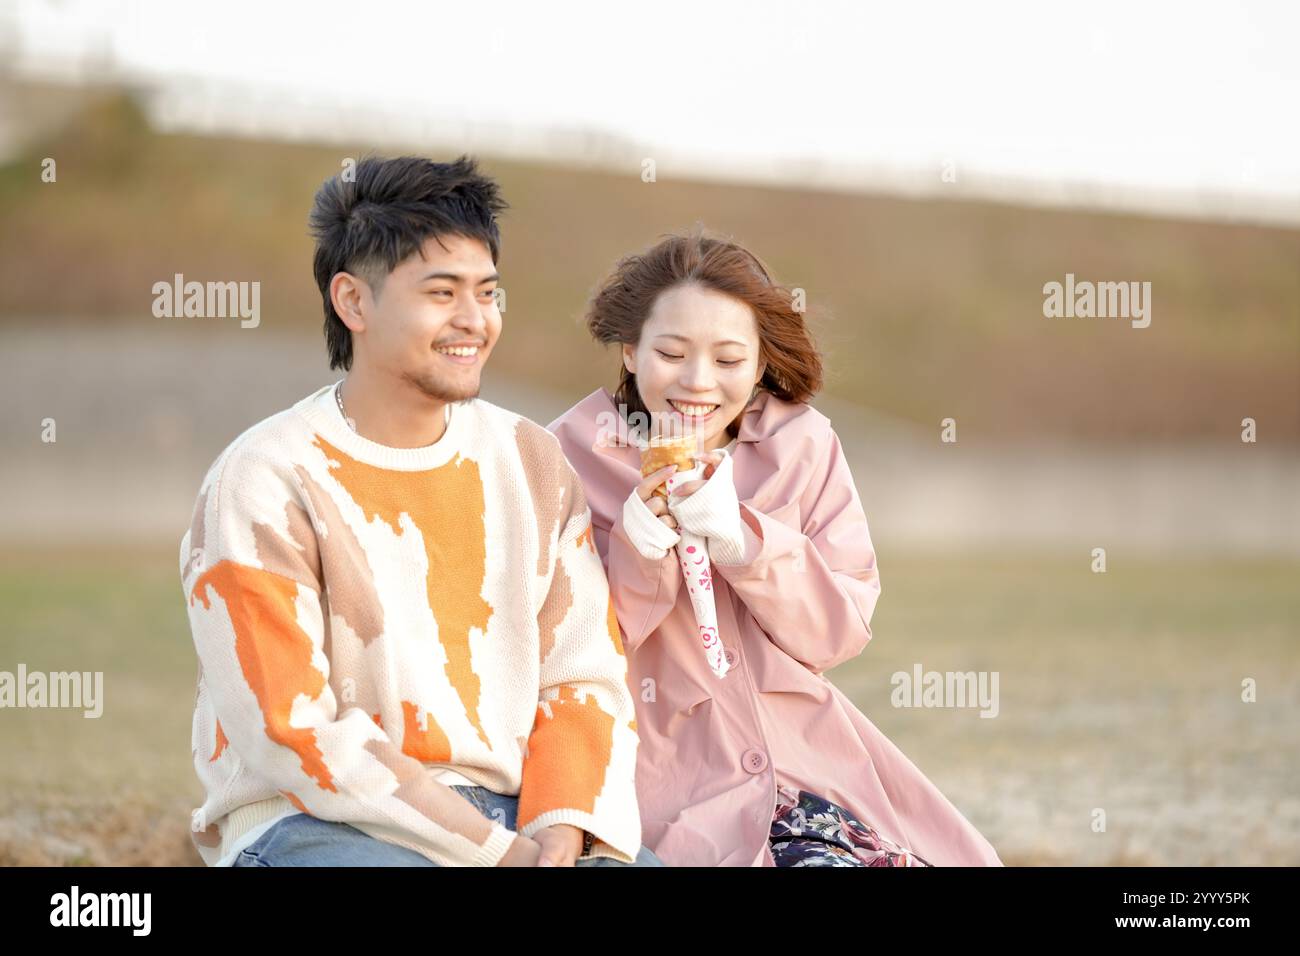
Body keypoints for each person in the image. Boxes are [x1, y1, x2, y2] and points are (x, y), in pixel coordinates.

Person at [179, 155, 662, 868]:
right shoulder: (265, 478)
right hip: (315, 821)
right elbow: (291, 729)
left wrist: (558, 834)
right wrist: (496, 855)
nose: (474, 320)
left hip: (514, 813)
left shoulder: (530, 460)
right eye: (442, 293)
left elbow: (581, 672)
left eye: (488, 293)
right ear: (354, 303)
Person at [547, 228, 1003, 866]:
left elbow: (835, 633)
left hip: (806, 764)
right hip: (668, 780)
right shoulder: (561, 457)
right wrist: (637, 551)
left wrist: (745, 542)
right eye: (671, 353)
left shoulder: (805, 448)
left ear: (761, 363)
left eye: (729, 361)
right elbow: (560, 651)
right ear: (630, 350)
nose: (698, 382)